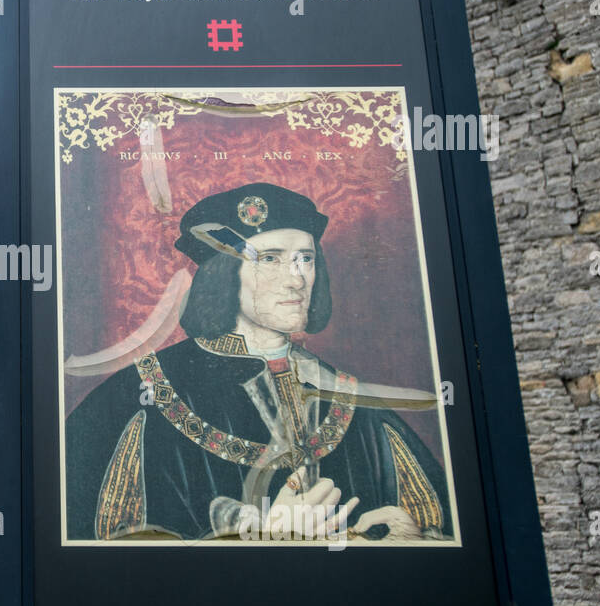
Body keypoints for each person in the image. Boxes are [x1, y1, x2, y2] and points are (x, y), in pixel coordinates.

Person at [64, 182, 453, 543]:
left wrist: (407, 540)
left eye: (306, 258)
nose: (297, 279)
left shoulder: (352, 401)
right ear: (224, 273)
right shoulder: (138, 398)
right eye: (270, 259)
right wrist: (261, 535)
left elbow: (438, 533)